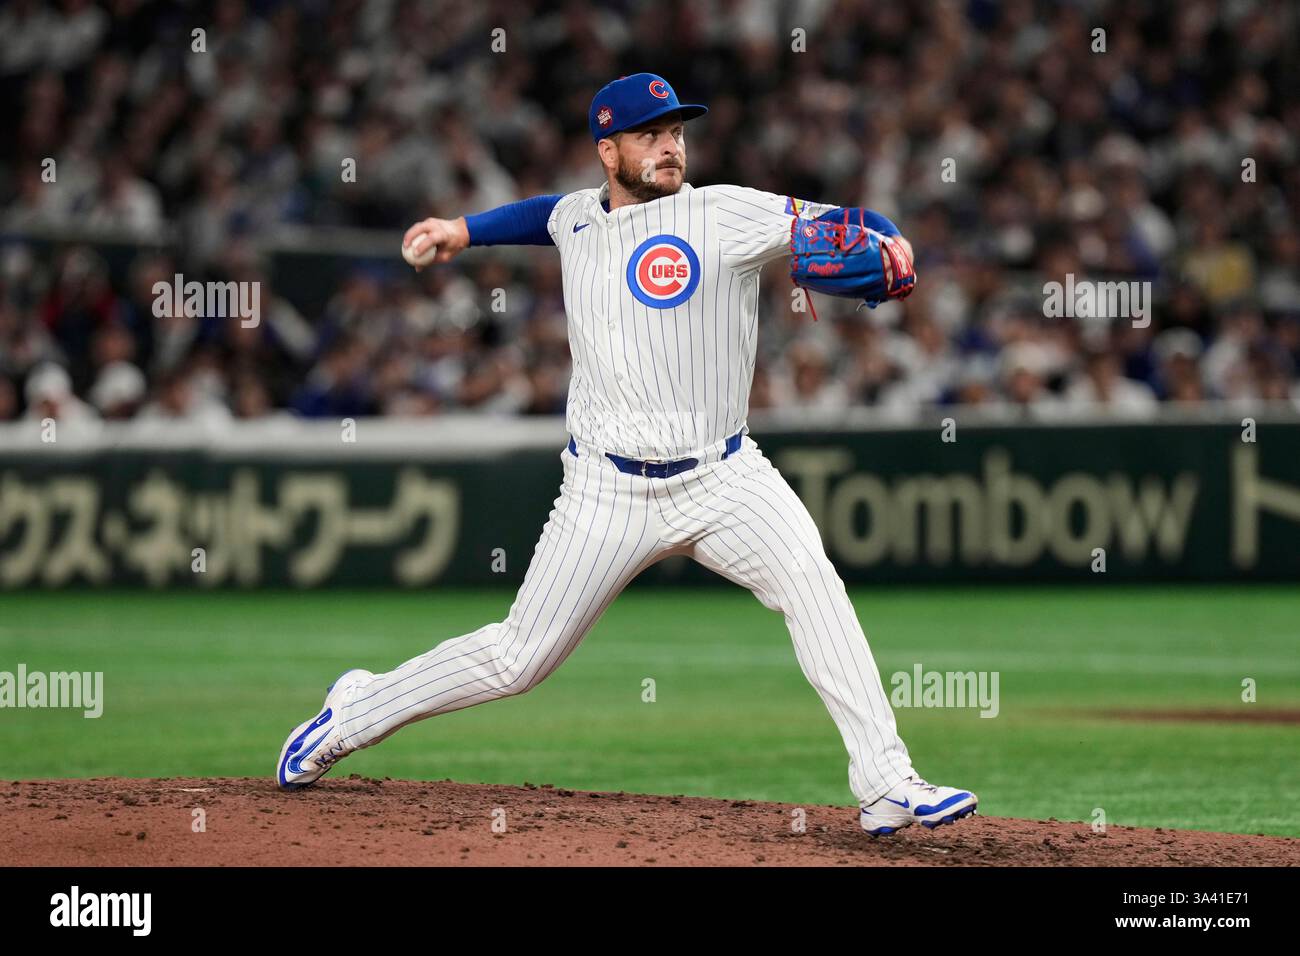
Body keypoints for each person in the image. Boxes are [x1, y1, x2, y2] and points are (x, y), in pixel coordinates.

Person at [276, 74, 977, 836]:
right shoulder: (578, 216)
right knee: (519, 660)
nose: (670, 146)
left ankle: (886, 783)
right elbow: (544, 215)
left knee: (814, 586)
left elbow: (842, 222)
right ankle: (356, 710)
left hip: (724, 476)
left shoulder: (724, 211)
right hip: (604, 492)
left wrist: (887, 237)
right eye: (650, 134)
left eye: (676, 132)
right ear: (608, 150)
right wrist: (463, 230)